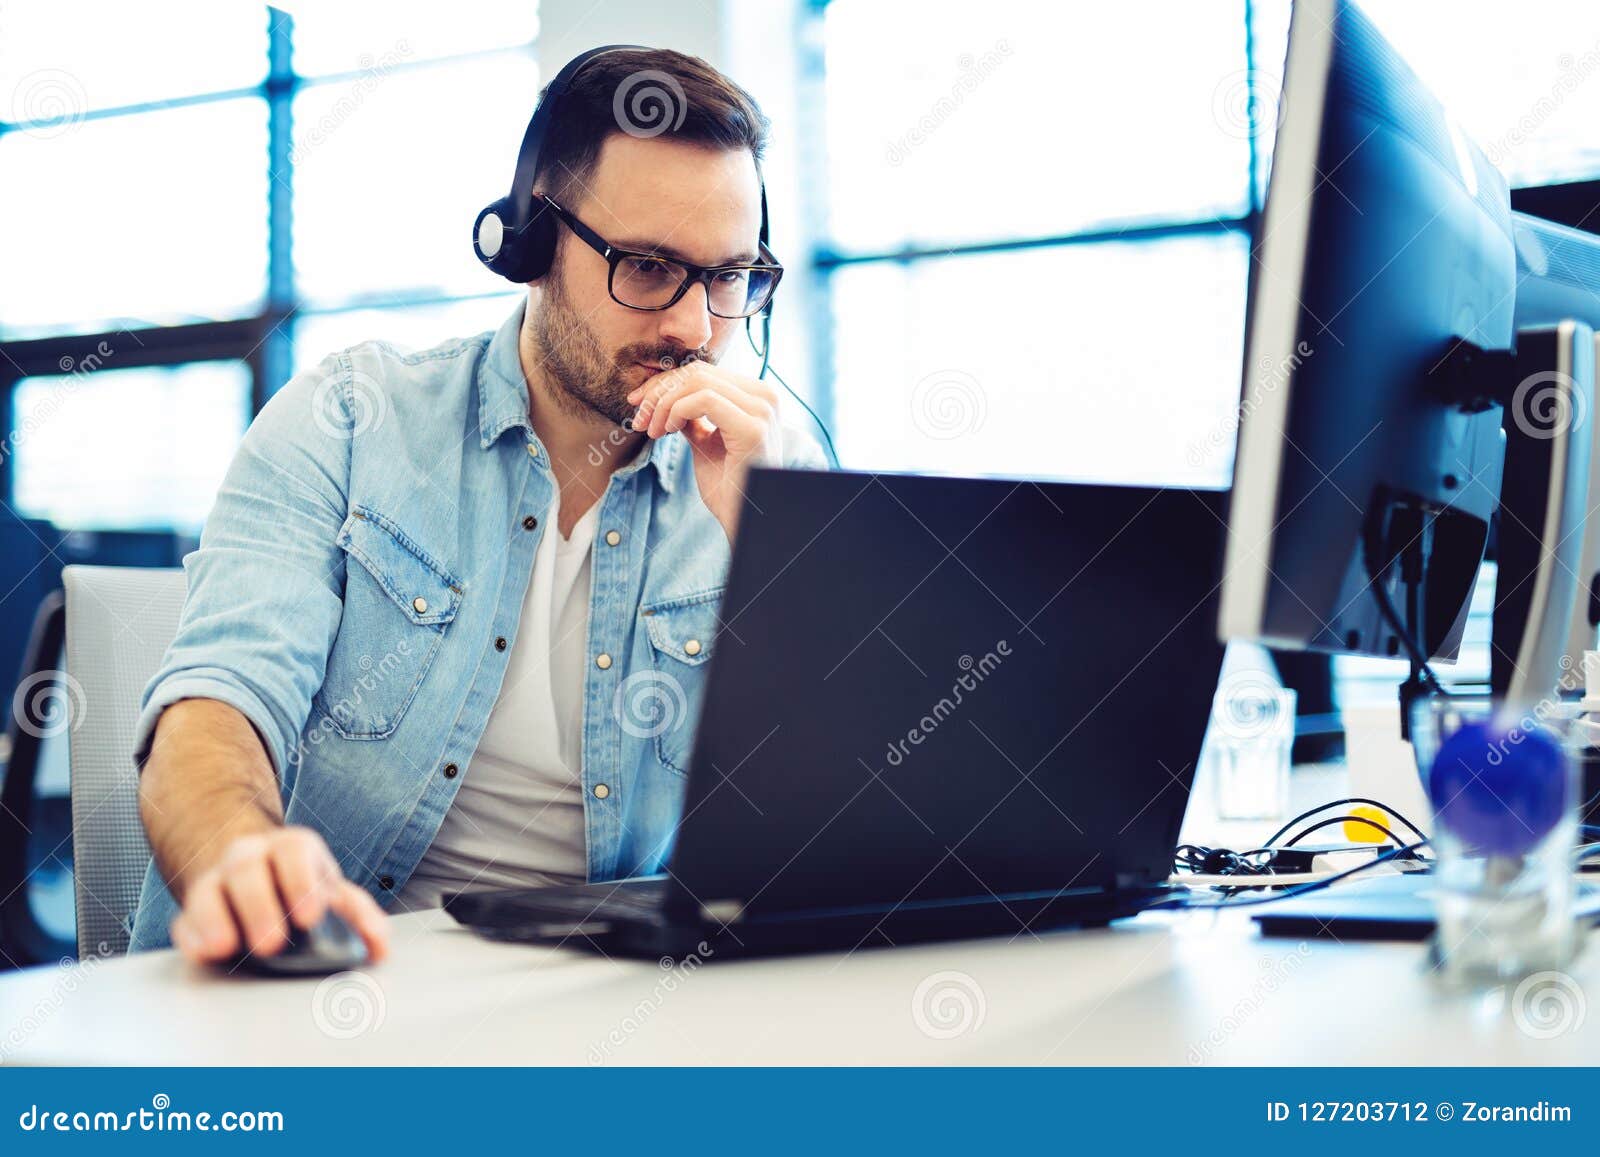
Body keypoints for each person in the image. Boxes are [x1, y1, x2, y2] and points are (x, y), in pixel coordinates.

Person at [129, 48, 822, 963]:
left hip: (617, 997)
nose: (696, 329)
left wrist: (770, 545)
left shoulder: (767, 460)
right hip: (347, 975)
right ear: (532, 245)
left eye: (730, 278)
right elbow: (215, 703)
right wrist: (241, 855)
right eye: (651, 267)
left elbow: (868, 804)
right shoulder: (349, 420)